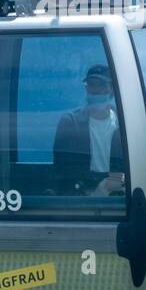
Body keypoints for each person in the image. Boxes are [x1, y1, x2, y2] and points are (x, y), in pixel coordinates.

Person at [52, 64, 125, 196]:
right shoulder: (69, 123)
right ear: (86, 89)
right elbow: (62, 172)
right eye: (92, 85)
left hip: (120, 199)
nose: (96, 90)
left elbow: (133, 165)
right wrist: (92, 195)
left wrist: (113, 184)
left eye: (101, 85)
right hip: (82, 200)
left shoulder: (125, 124)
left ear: (112, 90)